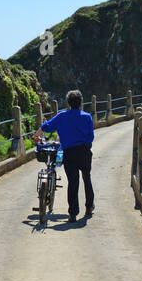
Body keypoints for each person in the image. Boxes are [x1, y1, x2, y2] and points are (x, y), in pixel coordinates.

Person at [35, 89, 95, 220]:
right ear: (81, 102)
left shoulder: (62, 116)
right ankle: (89, 207)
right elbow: (91, 137)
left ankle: (73, 213)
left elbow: (46, 126)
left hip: (69, 152)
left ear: (68, 103)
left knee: (73, 182)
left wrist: (35, 136)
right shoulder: (87, 117)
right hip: (84, 152)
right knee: (87, 178)